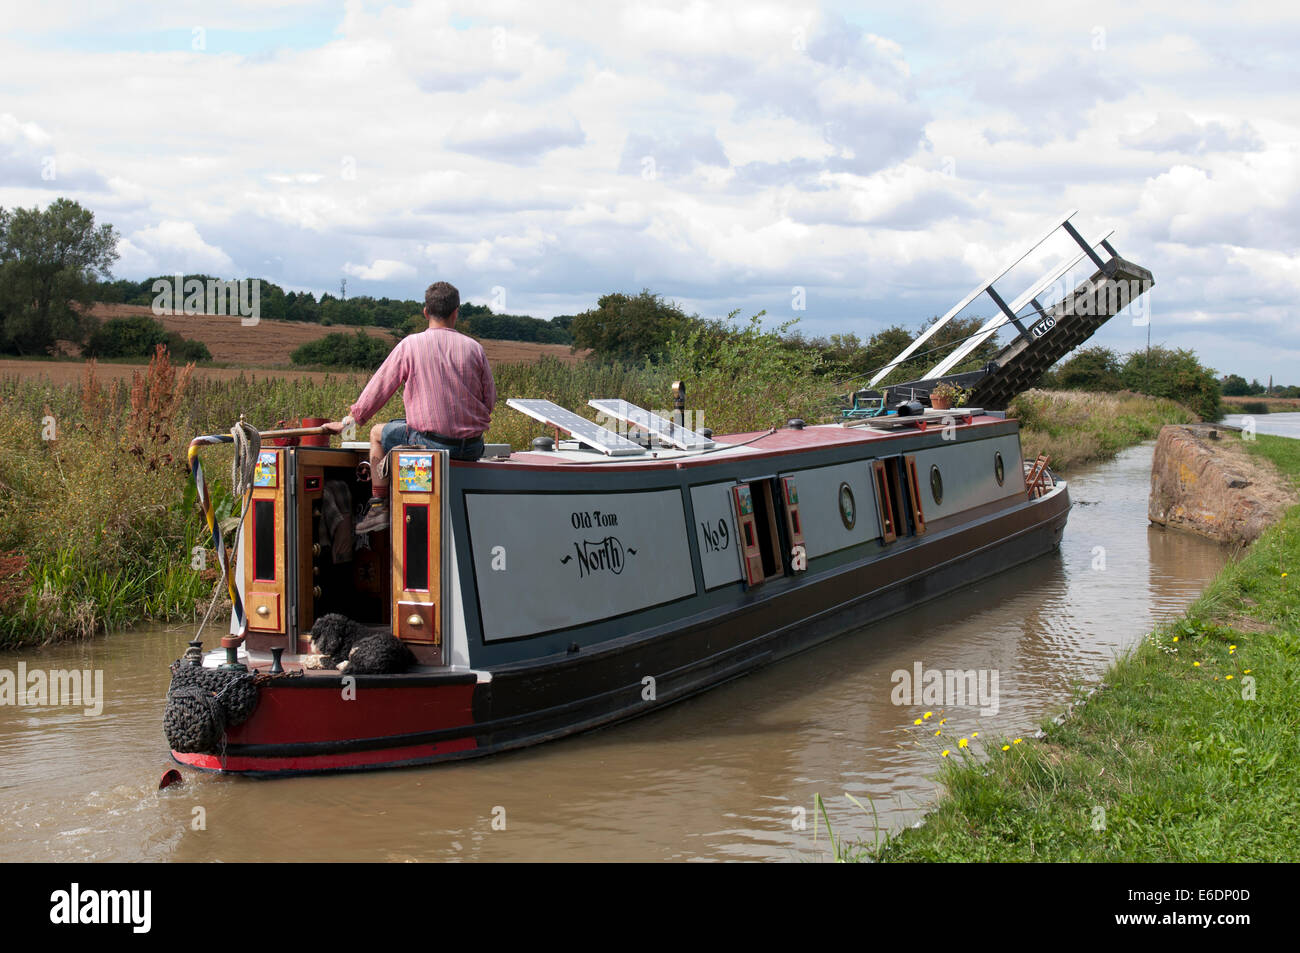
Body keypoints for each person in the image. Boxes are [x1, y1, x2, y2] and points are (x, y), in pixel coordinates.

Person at [323, 281, 495, 533]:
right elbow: (489, 402)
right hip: (471, 447)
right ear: (456, 312)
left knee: (377, 433)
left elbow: (380, 387)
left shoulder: (411, 345)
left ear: (426, 312)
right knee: (398, 425)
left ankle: (379, 507)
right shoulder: (475, 349)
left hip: (430, 446)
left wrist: (351, 419)